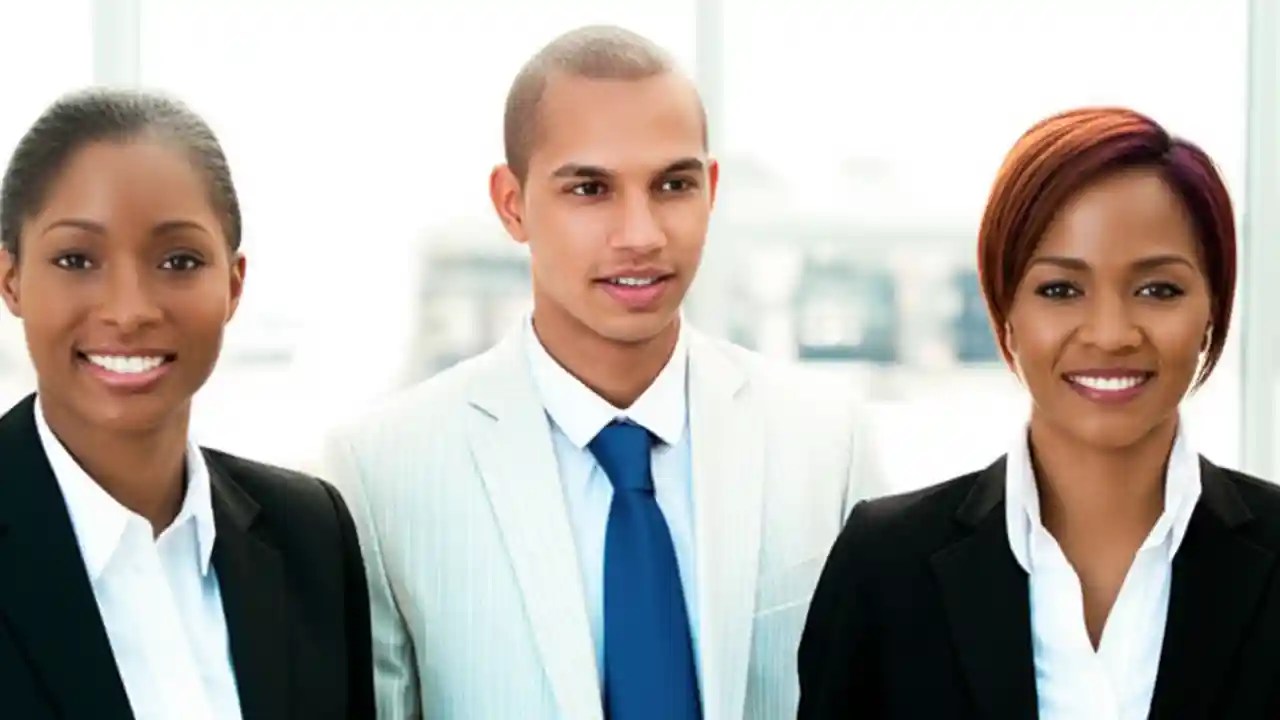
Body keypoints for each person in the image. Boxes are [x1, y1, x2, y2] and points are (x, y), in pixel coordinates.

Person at [326, 24, 885, 720]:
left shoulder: (828, 441)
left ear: (710, 189)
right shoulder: (382, 471)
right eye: (590, 189)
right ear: (511, 204)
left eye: (673, 185)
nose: (642, 234)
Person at [797, 106, 1280, 719]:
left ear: (1213, 308)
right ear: (1005, 313)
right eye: (1060, 290)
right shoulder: (886, 565)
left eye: (1159, 289)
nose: (1110, 334)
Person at [0, 88, 375, 720]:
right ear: (11, 280)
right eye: (76, 259)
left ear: (233, 285)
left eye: (179, 260)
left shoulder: (309, 533)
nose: (129, 310)